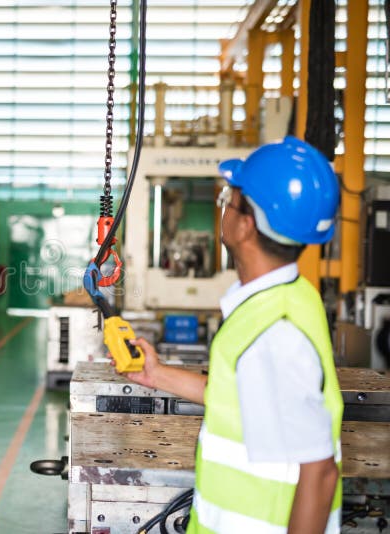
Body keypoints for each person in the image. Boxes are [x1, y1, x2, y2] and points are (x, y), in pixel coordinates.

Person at [125, 136, 343, 534]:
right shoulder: (288, 297)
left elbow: (320, 473)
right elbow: (241, 397)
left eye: (229, 196)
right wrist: (157, 375)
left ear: (245, 225)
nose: (222, 204)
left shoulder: (277, 332)